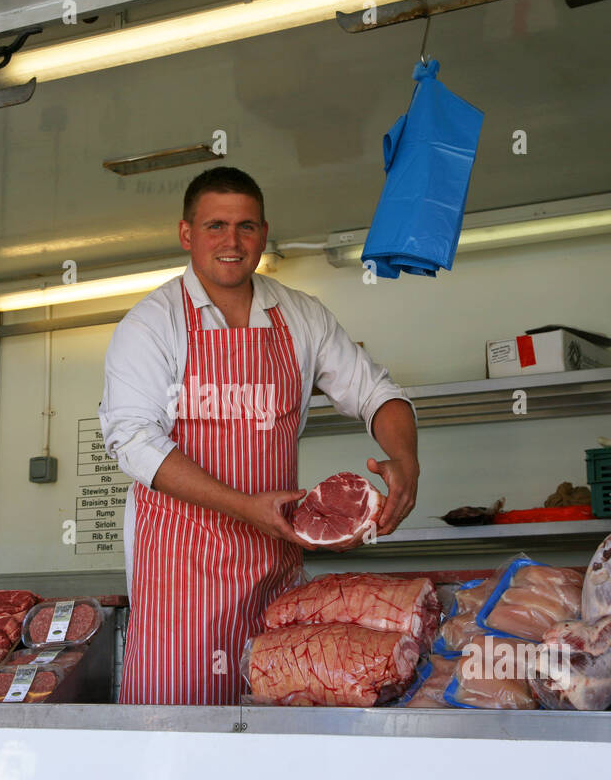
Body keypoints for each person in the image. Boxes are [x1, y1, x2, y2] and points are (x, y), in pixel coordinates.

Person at [99, 167, 419, 705]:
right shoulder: (152, 324)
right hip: (181, 574)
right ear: (186, 234)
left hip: (275, 572)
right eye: (215, 226)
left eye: (246, 226)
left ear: (264, 234)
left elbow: (375, 392)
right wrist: (243, 505)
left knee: (275, 728)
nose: (231, 241)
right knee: (180, 735)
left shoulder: (300, 316)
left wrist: (405, 460)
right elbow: (132, 439)